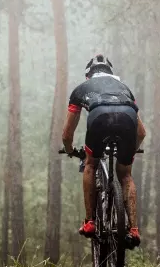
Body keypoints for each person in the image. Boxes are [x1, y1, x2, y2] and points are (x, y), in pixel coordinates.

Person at [62, 54, 147, 246]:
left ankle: (90, 222)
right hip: (127, 119)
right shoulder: (124, 89)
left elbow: (67, 134)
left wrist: (70, 150)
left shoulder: (81, 89)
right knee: (125, 175)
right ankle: (133, 230)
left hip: (99, 118)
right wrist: (131, 151)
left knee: (91, 165)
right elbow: (141, 132)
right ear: (111, 74)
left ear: (88, 76)